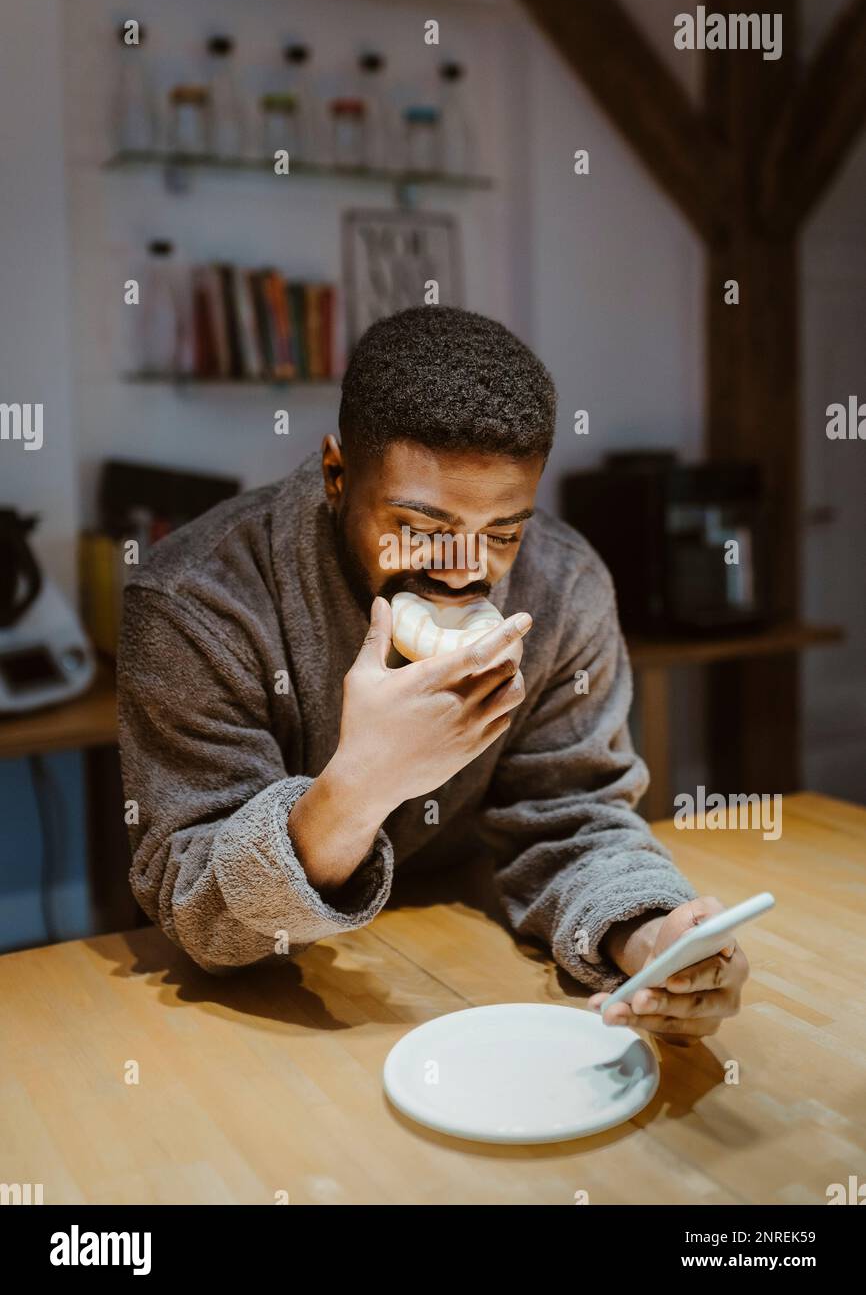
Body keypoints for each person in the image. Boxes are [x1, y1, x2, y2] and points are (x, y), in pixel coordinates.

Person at [117, 305, 748, 1046]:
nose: (463, 572)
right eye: (422, 529)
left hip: (464, 965)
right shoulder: (194, 601)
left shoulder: (564, 584)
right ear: (335, 475)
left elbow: (571, 816)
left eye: (503, 533)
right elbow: (200, 915)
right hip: (253, 1007)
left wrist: (649, 942)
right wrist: (362, 785)